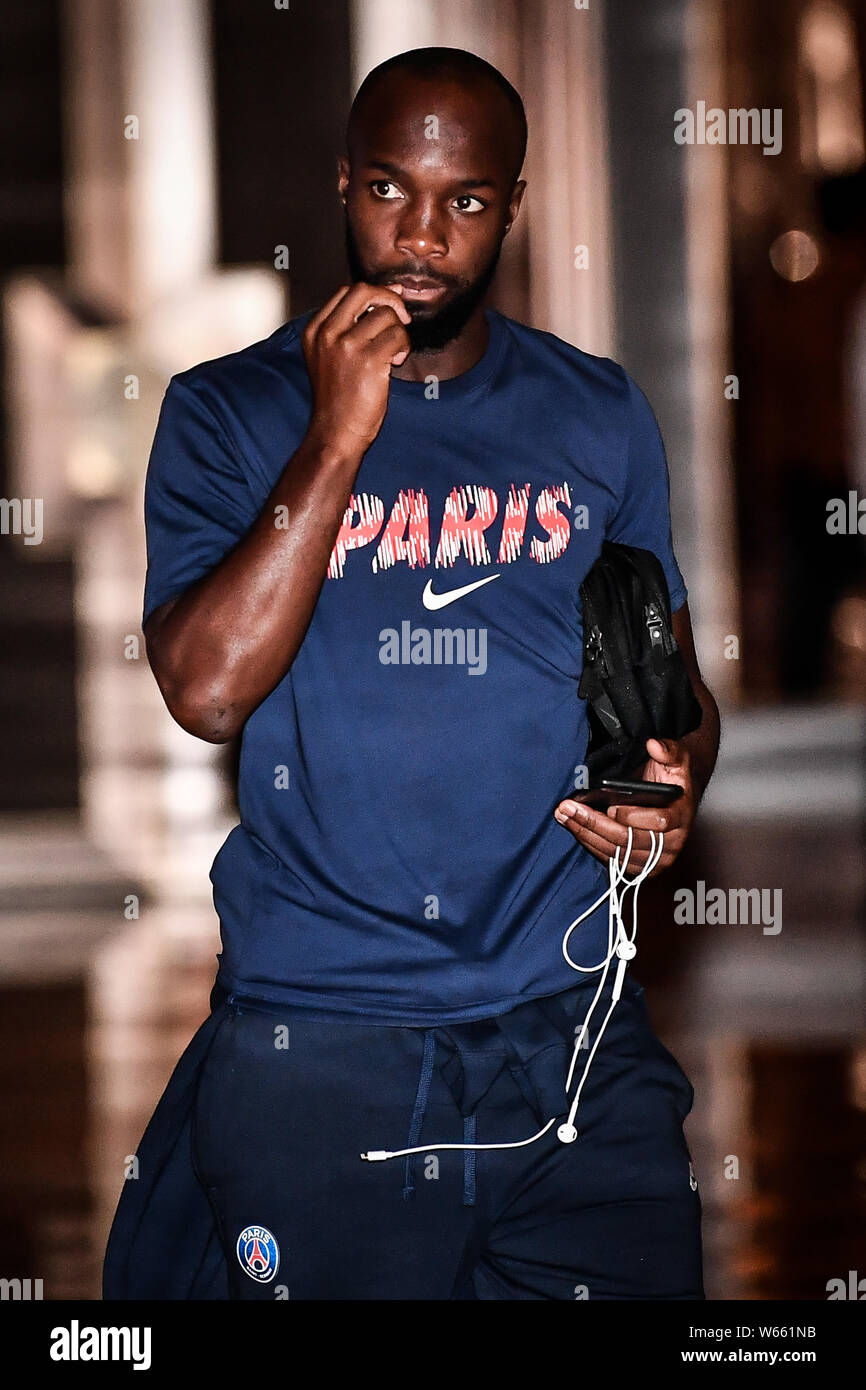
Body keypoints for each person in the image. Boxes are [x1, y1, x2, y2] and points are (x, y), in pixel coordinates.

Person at [103, 46, 720, 1302]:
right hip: (326, 1036)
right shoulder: (227, 415)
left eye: (466, 201)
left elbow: (663, 681)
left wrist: (673, 774)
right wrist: (337, 436)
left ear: (511, 206)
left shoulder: (593, 413)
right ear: (341, 186)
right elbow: (207, 689)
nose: (422, 236)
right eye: (390, 191)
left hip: (572, 1027)